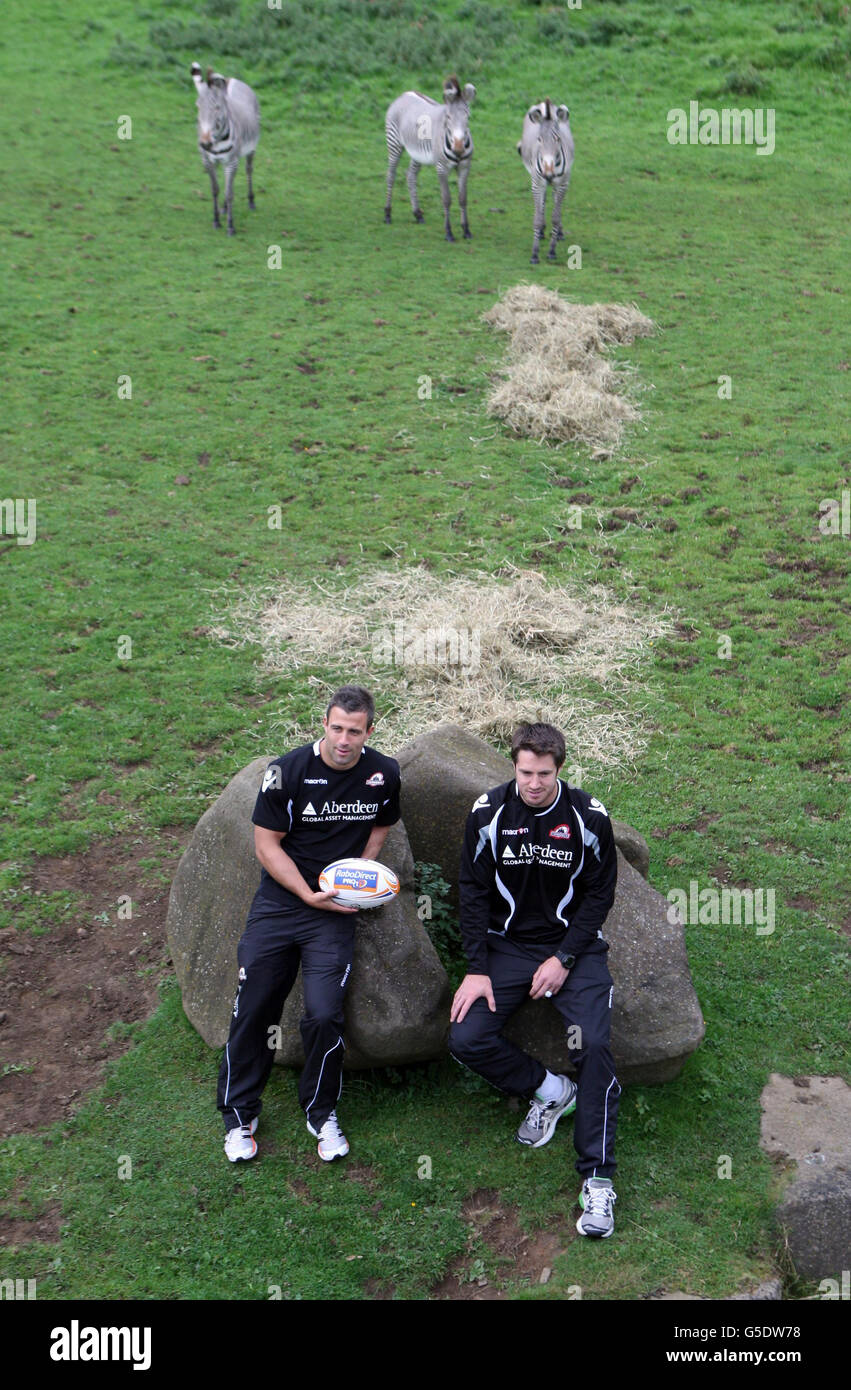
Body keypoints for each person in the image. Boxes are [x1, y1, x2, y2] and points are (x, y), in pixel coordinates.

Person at [449, 722, 621, 1237]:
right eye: (525, 772)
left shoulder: (588, 818)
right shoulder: (488, 813)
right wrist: (477, 967)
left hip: (574, 949)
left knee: (593, 1045)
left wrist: (564, 958)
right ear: (514, 766)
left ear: (560, 770)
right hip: (505, 948)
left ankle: (598, 1182)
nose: (534, 783)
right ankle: (549, 1090)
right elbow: (472, 892)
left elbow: (600, 895)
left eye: (544, 774)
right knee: (465, 1035)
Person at [217, 685, 401, 1163]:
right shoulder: (287, 771)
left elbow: (381, 824)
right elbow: (267, 845)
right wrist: (306, 893)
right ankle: (240, 1114)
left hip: (334, 912)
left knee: (323, 1014)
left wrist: (358, 878)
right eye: (337, 727)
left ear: (369, 731)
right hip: (281, 904)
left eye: (354, 731)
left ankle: (321, 1111)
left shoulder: (384, 774)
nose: (344, 739)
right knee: (255, 1003)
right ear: (325, 723)